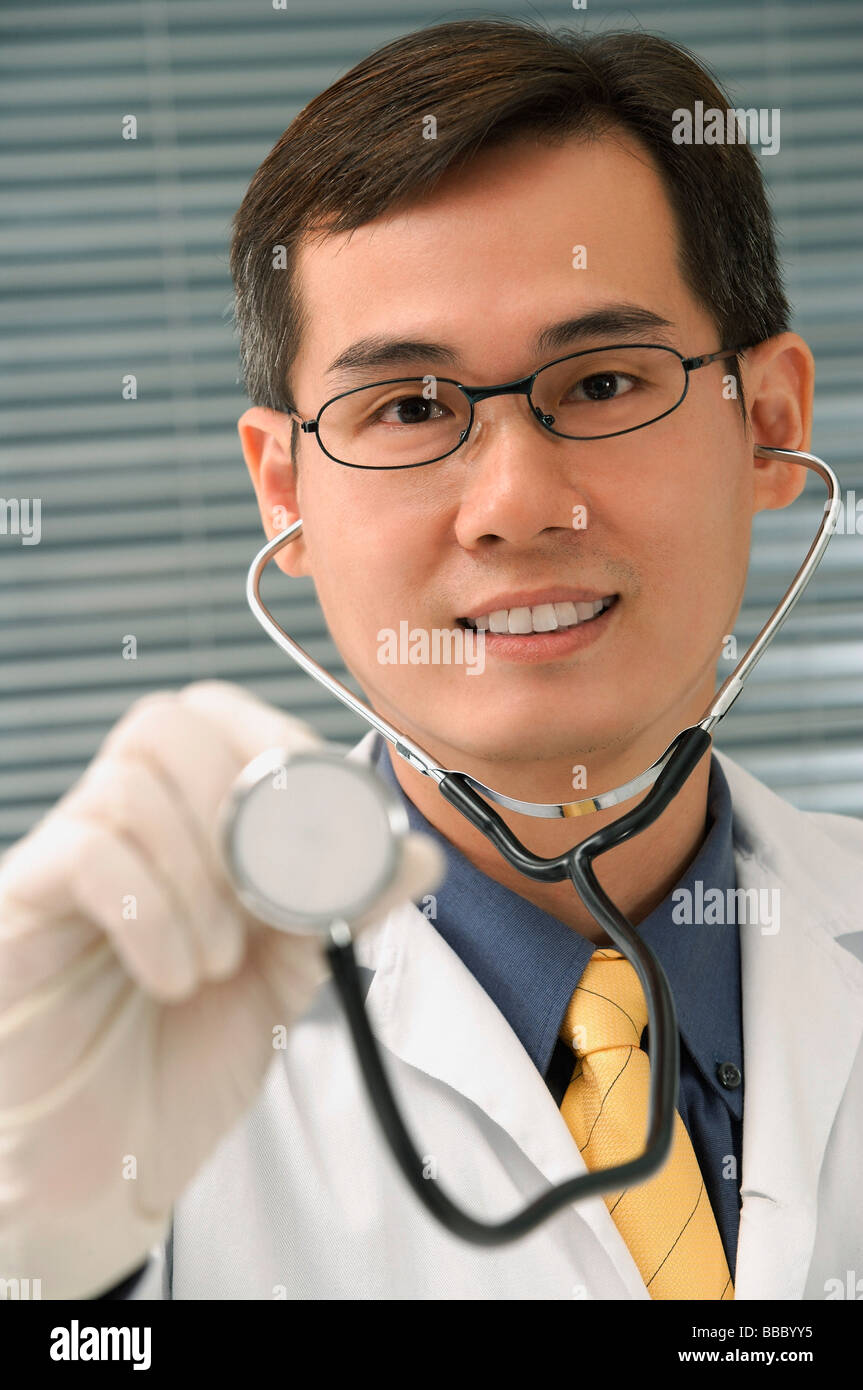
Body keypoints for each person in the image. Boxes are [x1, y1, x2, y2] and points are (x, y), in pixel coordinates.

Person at [2, 18, 861, 1302]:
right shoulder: (89, 1062)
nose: (515, 504)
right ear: (282, 493)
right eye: (407, 408)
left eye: (604, 381)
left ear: (770, 422)